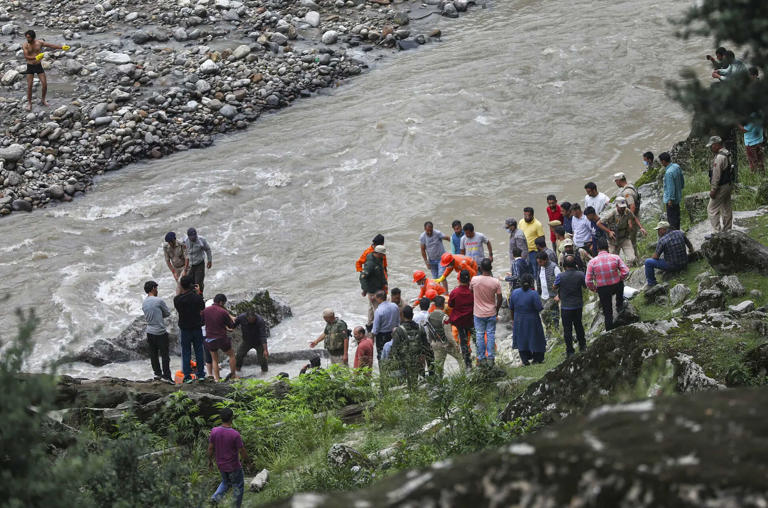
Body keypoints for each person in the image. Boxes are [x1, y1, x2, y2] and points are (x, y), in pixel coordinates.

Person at [586, 238, 629, 331]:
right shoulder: (615, 257)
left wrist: (594, 288)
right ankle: (619, 304)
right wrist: (619, 278)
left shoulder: (592, 262)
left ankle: (609, 331)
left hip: (602, 289)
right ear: (607, 248)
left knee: (607, 311)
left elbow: (588, 281)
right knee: (620, 284)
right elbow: (625, 272)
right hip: (616, 286)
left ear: (598, 249)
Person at [208, 408, 248, 508]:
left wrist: (210, 461)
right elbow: (242, 450)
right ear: (231, 418)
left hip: (221, 465)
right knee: (238, 486)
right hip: (233, 466)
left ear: (221, 418)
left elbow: (210, 448)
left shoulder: (214, 431)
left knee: (226, 482)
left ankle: (215, 498)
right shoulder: (235, 434)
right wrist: (248, 461)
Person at [22, 30, 70, 110]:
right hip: (30, 66)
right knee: (30, 86)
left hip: (38, 66)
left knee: (44, 84)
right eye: (26, 37)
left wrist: (62, 47)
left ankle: (43, 100)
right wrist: (36, 57)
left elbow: (51, 45)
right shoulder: (25, 45)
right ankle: (29, 104)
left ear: (33, 37)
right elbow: (26, 56)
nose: (27, 39)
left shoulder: (39, 43)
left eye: (29, 38)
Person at [391, 305, 434, 389]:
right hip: (419, 361)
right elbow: (427, 347)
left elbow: (394, 349)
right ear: (413, 315)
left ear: (402, 315)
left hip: (405, 363)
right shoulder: (420, 328)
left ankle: (412, 397)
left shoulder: (399, 330)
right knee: (421, 383)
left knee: (407, 385)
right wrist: (430, 365)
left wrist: (393, 365)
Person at [469, 258, 502, 367]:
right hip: (491, 312)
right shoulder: (496, 281)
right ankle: (491, 358)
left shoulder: (474, 280)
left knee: (479, 335)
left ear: (480, 268)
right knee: (491, 334)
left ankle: (481, 357)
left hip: (478, 314)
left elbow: (470, 291)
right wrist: (496, 310)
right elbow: (500, 298)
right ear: (491, 268)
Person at [173, 275, 207, 383]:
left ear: (182, 286)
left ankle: (187, 376)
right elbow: (202, 307)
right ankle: (201, 375)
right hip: (197, 327)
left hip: (185, 329)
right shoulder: (197, 297)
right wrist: (199, 293)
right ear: (192, 286)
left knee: (186, 352)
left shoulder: (177, 300)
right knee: (199, 351)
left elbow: (178, 298)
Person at [509, 273, 546, 365]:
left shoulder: (514, 293)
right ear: (531, 283)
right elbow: (539, 308)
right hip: (532, 319)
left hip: (518, 319)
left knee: (522, 338)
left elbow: (511, 308)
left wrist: (513, 319)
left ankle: (525, 359)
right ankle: (537, 358)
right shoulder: (533, 294)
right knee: (535, 337)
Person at [596, 197, 646, 265]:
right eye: (621, 207)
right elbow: (598, 223)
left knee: (632, 258)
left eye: (624, 207)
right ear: (617, 206)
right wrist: (609, 231)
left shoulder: (627, 211)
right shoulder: (612, 213)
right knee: (612, 261)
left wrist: (641, 228)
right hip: (613, 240)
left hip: (624, 237)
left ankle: (628, 269)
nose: (623, 209)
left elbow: (634, 217)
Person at [644, 221, 695, 287]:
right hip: (685, 262)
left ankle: (652, 283)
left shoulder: (662, 240)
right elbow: (690, 246)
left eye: (659, 230)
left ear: (663, 229)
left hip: (673, 266)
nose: (658, 232)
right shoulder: (680, 233)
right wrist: (691, 252)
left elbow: (655, 257)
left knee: (648, 262)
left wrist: (652, 257)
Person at [553, 256, 587, 356]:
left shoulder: (560, 276)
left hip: (566, 307)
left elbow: (554, 287)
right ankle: (583, 346)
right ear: (575, 264)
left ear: (564, 265)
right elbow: (585, 286)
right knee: (579, 326)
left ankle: (570, 351)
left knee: (567, 329)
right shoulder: (580, 274)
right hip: (578, 305)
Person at [424, 296, 464, 377]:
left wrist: (430, 343)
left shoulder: (429, 316)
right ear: (443, 305)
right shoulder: (445, 318)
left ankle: (439, 384)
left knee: (439, 366)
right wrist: (455, 344)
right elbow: (448, 335)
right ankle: (464, 376)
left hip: (435, 344)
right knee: (460, 359)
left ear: (435, 305)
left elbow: (428, 332)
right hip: (446, 344)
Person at [202, 294, 237, 382]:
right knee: (232, 355)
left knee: (214, 359)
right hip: (221, 338)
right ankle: (233, 375)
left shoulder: (205, 311)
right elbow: (230, 325)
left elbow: (202, 322)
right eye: (224, 303)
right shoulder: (223, 312)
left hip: (210, 338)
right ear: (221, 302)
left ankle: (216, 379)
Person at [142, 280, 172, 381]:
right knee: (165, 356)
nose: (157, 290)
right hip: (160, 332)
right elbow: (167, 313)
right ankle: (167, 376)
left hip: (149, 331)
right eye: (156, 288)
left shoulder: (144, 303)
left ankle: (157, 374)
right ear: (153, 288)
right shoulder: (159, 301)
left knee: (153, 355)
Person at [706, 136, 734, 232]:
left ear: (717, 145)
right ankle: (728, 229)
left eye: (712, 146)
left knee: (712, 209)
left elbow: (716, 175)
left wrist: (713, 189)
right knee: (726, 207)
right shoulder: (727, 152)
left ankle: (717, 232)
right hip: (728, 184)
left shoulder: (719, 157)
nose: (711, 148)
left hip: (721, 186)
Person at [448, 269, 474, 369]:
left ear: (459, 279)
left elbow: (450, 304)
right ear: (470, 279)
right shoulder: (473, 291)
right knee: (476, 339)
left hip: (460, 321)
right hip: (471, 320)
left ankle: (468, 365)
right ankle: (481, 359)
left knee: (463, 342)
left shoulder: (455, 292)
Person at [232, 310, 270, 374]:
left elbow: (263, 336)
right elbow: (233, 324)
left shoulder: (260, 321)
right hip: (247, 341)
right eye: (250, 320)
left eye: (253, 320)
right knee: (239, 355)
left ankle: (265, 373)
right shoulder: (241, 317)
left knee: (262, 359)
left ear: (255, 317)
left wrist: (265, 350)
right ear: (246, 318)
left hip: (258, 342)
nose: (251, 321)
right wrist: (229, 327)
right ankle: (237, 371)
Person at [360, 245, 388, 329]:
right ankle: (378, 327)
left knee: (371, 307)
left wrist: (385, 283)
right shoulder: (370, 264)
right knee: (377, 308)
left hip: (379, 287)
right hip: (372, 290)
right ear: (378, 253)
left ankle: (369, 323)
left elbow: (382, 273)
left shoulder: (379, 260)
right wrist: (365, 289)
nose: (384, 256)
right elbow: (362, 277)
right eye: (382, 254)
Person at [535, 250, 561, 334]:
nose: (539, 263)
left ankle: (553, 330)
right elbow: (539, 280)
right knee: (550, 314)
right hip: (543, 295)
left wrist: (559, 295)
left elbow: (561, 281)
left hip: (553, 295)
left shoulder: (554, 267)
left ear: (546, 259)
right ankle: (551, 330)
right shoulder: (540, 267)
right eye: (538, 262)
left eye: (540, 262)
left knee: (544, 313)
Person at [371, 290, 400, 360]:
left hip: (382, 337)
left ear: (379, 298)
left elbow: (375, 330)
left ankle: (383, 370)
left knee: (382, 356)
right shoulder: (395, 306)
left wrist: (371, 337)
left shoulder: (379, 310)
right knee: (393, 355)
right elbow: (398, 321)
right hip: (394, 334)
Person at [184, 228, 212, 297]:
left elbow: (208, 249)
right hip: (190, 265)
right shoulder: (185, 241)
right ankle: (193, 297)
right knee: (190, 283)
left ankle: (200, 297)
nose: (193, 238)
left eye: (194, 236)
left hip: (199, 264)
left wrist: (209, 260)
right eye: (191, 237)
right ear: (188, 236)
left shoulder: (201, 240)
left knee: (198, 283)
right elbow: (184, 250)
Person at [660, 152, 684, 231]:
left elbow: (671, 187)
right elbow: (682, 178)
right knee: (677, 216)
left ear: (663, 161)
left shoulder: (668, 173)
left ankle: (675, 234)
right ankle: (678, 231)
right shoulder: (676, 166)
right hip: (678, 197)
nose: (661, 163)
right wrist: (681, 187)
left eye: (661, 161)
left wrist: (670, 199)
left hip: (671, 200)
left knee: (672, 219)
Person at [519, 207, 545, 277]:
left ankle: (538, 286)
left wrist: (541, 252)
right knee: (526, 271)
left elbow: (542, 239)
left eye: (528, 215)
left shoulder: (538, 224)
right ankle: (530, 286)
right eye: (525, 215)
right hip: (523, 251)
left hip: (534, 252)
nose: (526, 217)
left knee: (535, 271)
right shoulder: (521, 222)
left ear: (532, 215)